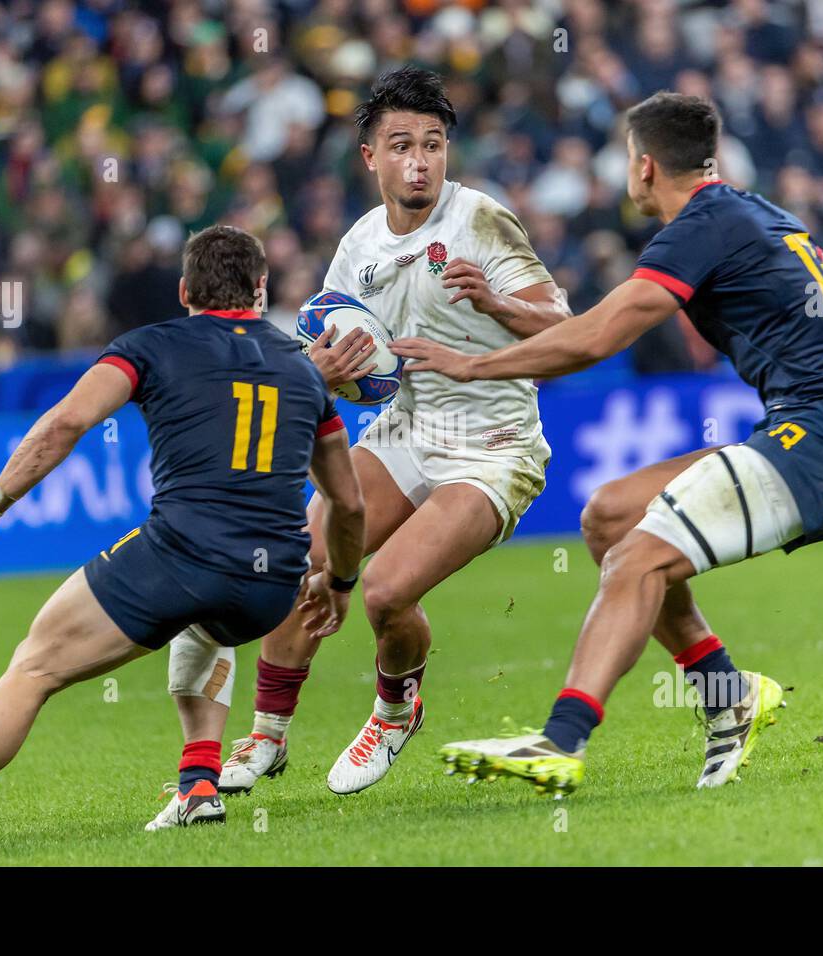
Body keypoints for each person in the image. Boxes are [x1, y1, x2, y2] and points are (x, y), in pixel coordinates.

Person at [391, 92, 823, 795]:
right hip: (820, 432)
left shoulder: (700, 228)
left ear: (643, 166)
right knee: (613, 517)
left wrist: (472, 363)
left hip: (820, 442)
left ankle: (561, 739)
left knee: (638, 558)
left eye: (622, 162)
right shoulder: (759, 214)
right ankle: (727, 691)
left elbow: (596, 339)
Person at [0, 225, 366, 850]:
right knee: (208, 620)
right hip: (271, 585)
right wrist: (338, 582)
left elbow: (65, 424)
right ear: (261, 287)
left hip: (185, 556)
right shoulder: (305, 373)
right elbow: (349, 502)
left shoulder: (149, 346)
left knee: (34, 666)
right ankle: (199, 785)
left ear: (183, 290)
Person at [170, 66, 570, 800]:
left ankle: (395, 710)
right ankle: (267, 738)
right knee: (297, 563)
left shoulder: (480, 220)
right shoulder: (358, 247)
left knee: (384, 592)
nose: (419, 162)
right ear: (371, 158)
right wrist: (327, 368)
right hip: (407, 427)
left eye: (433, 145)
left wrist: (495, 302)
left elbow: (566, 330)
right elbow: (350, 359)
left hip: (493, 445)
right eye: (401, 146)